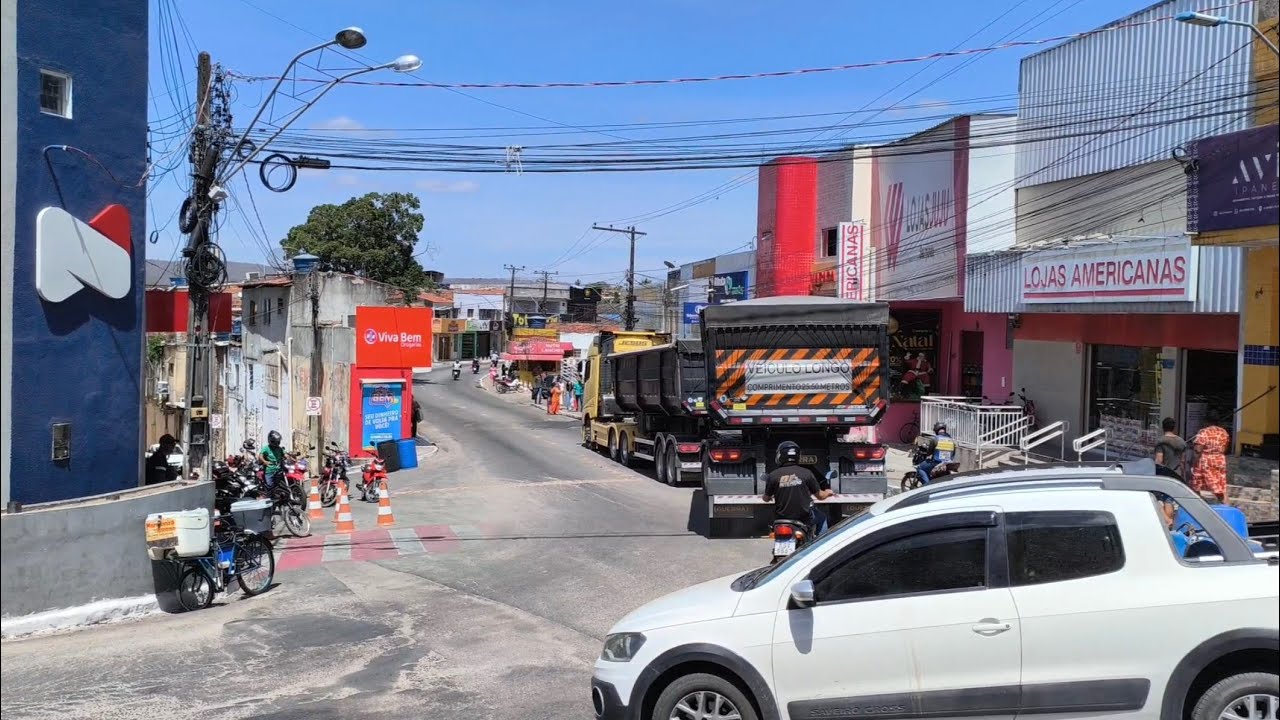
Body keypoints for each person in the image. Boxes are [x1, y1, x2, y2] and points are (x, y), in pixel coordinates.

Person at [762, 441, 833, 536]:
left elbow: (766, 499)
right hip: (804, 517)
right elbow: (820, 496)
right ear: (798, 456)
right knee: (822, 518)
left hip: (781, 518)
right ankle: (822, 544)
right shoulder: (807, 473)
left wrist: (769, 496)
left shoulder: (773, 475)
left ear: (780, 455)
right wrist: (828, 492)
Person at [1190, 411, 1230, 503]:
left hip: (1206, 462)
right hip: (1220, 460)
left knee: (1196, 487)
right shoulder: (1223, 432)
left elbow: (1198, 449)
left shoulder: (1204, 432)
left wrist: (1194, 461)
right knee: (1220, 488)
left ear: (1207, 421)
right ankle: (1226, 507)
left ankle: (1198, 506)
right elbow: (1225, 448)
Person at [1153, 417, 1187, 483]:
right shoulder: (1182, 442)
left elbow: (1159, 460)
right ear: (1174, 428)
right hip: (1177, 474)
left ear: (1163, 427)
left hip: (1165, 475)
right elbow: (1182, 461)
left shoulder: (1161, 441)